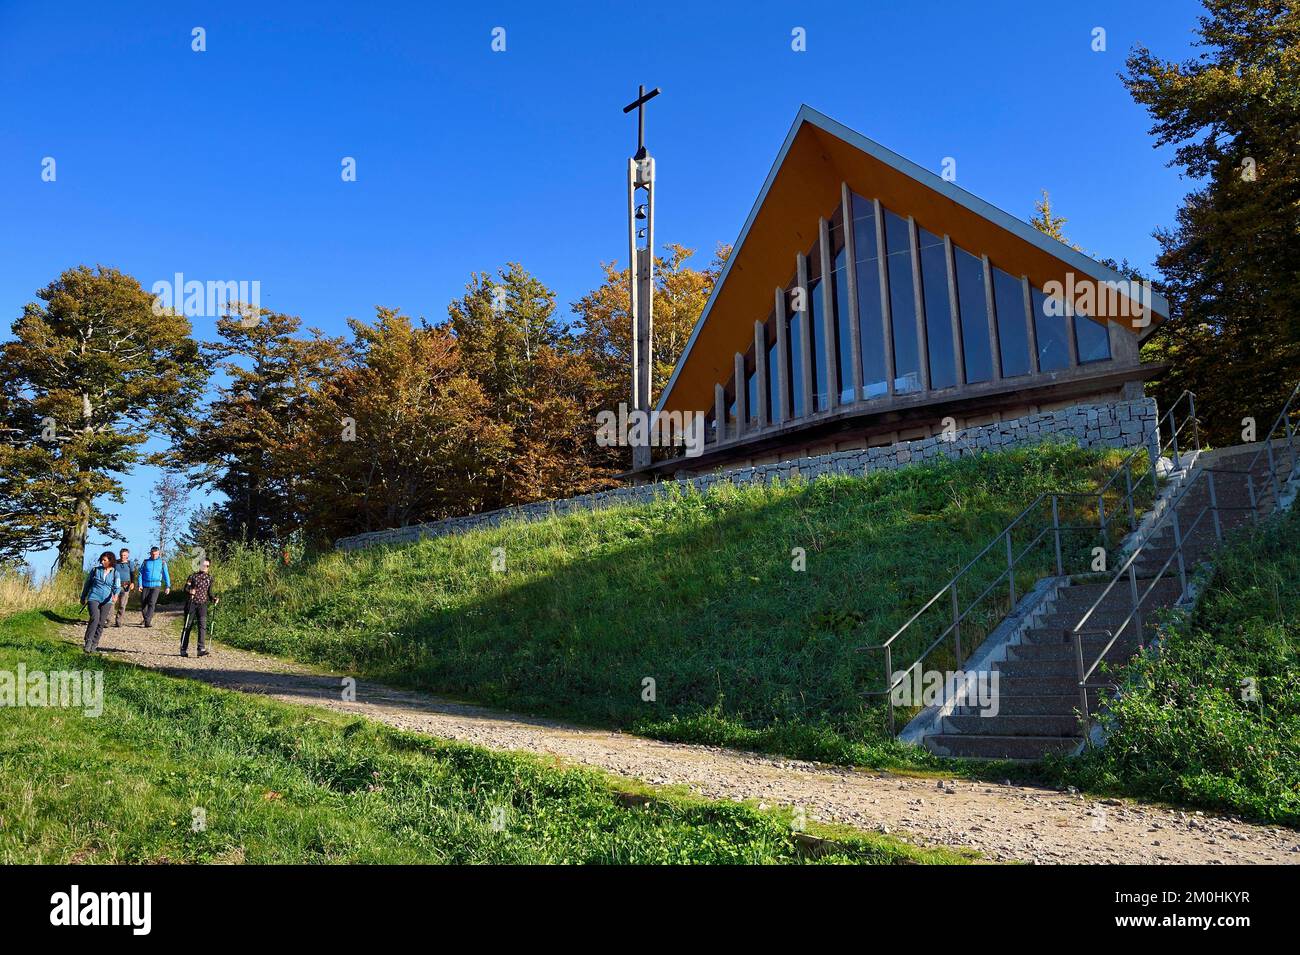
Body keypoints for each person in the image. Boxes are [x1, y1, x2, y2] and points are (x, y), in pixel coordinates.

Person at [80, 551, 121, 653]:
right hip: (94, 597)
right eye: (102, 560)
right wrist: (83, 596)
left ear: (110, 561)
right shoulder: (95, 570)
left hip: (107, 600)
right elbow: (87, 584)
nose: (102, 562)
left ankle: (95, 643)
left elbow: (117, 586)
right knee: (94, 618)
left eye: (105, 560)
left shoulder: (115, 573)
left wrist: (115, 595)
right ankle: (88, 641)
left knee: (101, 622)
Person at [180, 558, 220, 657]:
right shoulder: (192, 576)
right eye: (203, 565)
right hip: (191, 603)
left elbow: (209, 592)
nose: (204, 567)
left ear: (208, 567)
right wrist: (190, 591)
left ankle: (201, 649)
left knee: (202, 626)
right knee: (187, 626)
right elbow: (185, 588)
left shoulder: (210, 578)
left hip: (203, 605)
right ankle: (183, 649)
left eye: (207, 566)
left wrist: (213, 598)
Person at [137, 545, 170, 628]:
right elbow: (140, 574)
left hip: (156, 585)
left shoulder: (162, 563)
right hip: (145, 585)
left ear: (159, 553)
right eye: (152, 554)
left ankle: (147, 621)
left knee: (152, 603)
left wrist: (167, 586)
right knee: (144, 603)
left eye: (156, 554)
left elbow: (166, 575)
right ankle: (146, 618)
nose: (154, 556)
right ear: (150, 553)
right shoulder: (145, 562)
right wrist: (140, 584)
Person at [111, 547, 137, 628]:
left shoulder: (130, 563)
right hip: (115, 586)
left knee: (122, 604)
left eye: (125, 555)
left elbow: (132, 574)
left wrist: (133, 583)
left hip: (126, 586)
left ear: (127, 556)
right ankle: (108, 620)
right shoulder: (115, 563)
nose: (123, 557)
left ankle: (118, 621)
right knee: (111, 604)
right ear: (119, 555)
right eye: (122, 555)